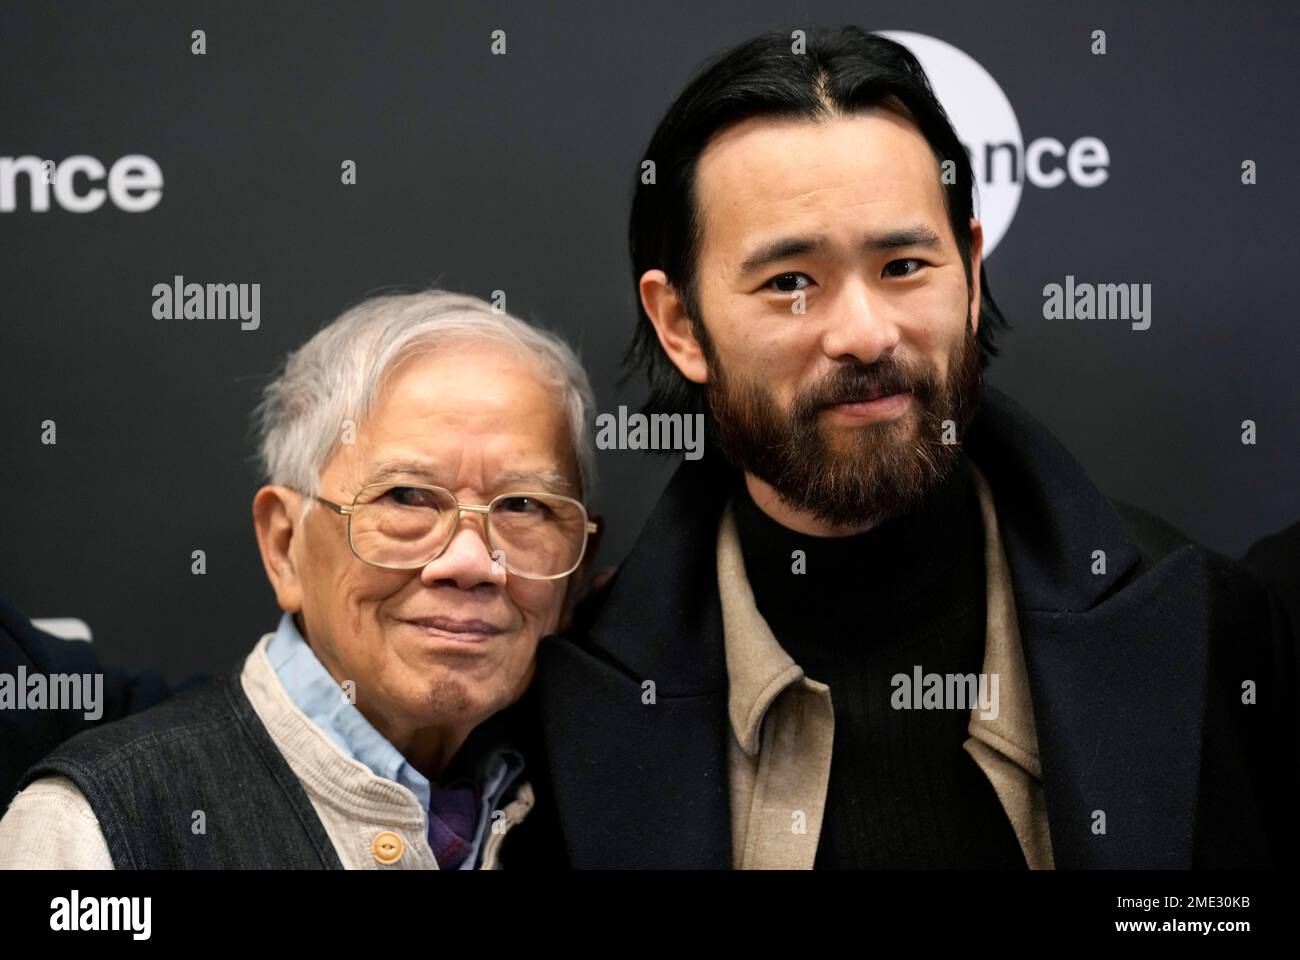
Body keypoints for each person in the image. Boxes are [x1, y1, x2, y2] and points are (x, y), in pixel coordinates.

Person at [528, 26, 1299, 869]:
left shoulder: (1205, 627)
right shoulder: (569, 705)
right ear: (680, 324)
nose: (864, 333)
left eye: (903, 264)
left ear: (969, 271)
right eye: (791, 283)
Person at [0, 290, 593, 869]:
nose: (470, 563)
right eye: (406, 497)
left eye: (523, 506)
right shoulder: (103, 831)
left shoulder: (611, 810)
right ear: (284, 545)